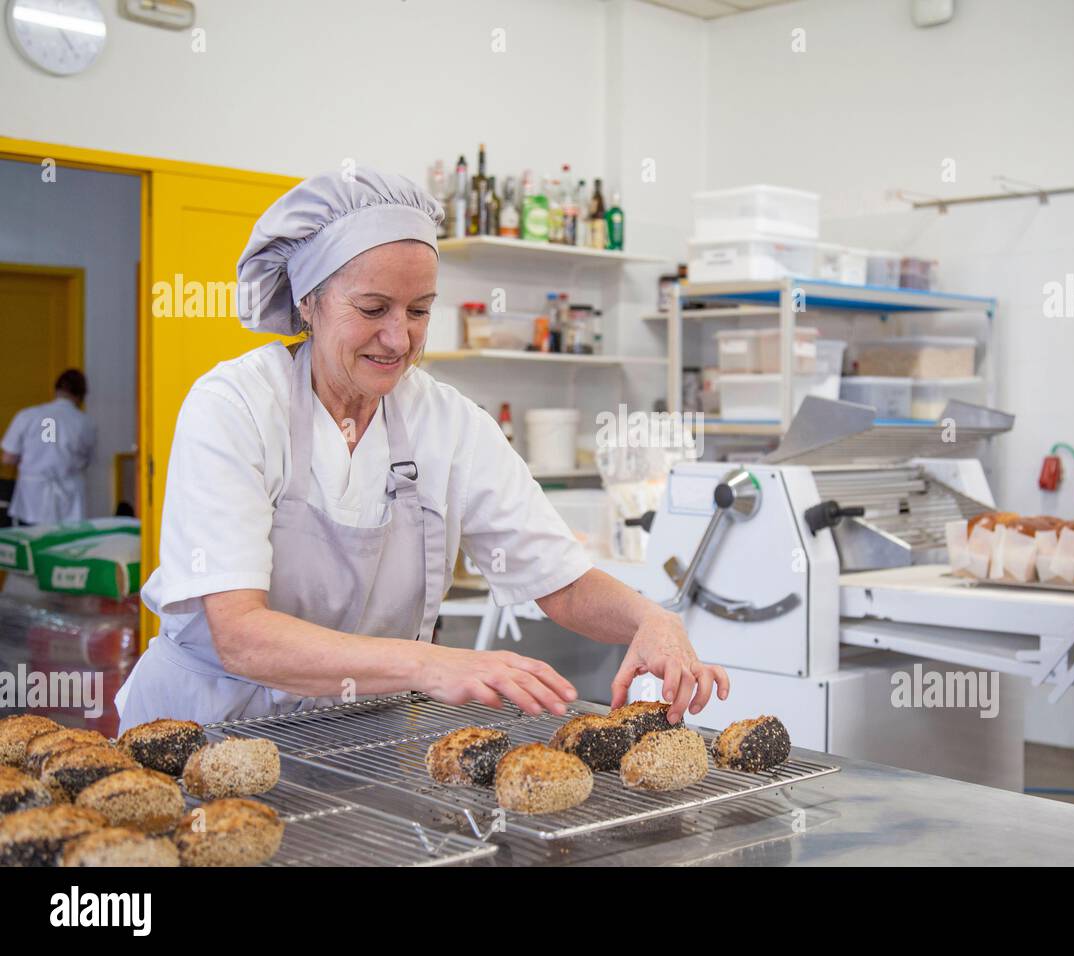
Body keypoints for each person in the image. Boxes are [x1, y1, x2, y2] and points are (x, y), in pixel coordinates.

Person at [115, 168, 727, 728]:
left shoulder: (448, 423)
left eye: (419, 310)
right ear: (308, 300)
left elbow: (559, 582)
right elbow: (241, 635)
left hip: (353, 742)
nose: (398, 337)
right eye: (373, 308)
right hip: (203, 733)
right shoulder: (236, 407)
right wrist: (431, 664)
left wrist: (653, 619)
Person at [1, 369, 97, 525]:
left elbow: (8, 458)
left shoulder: (28, 416)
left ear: (56, 390)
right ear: (81, 396)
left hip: (31, 498)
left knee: (30, 541)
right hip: (69, 497)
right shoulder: (85, 423)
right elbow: (87, 460)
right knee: (65, 544)